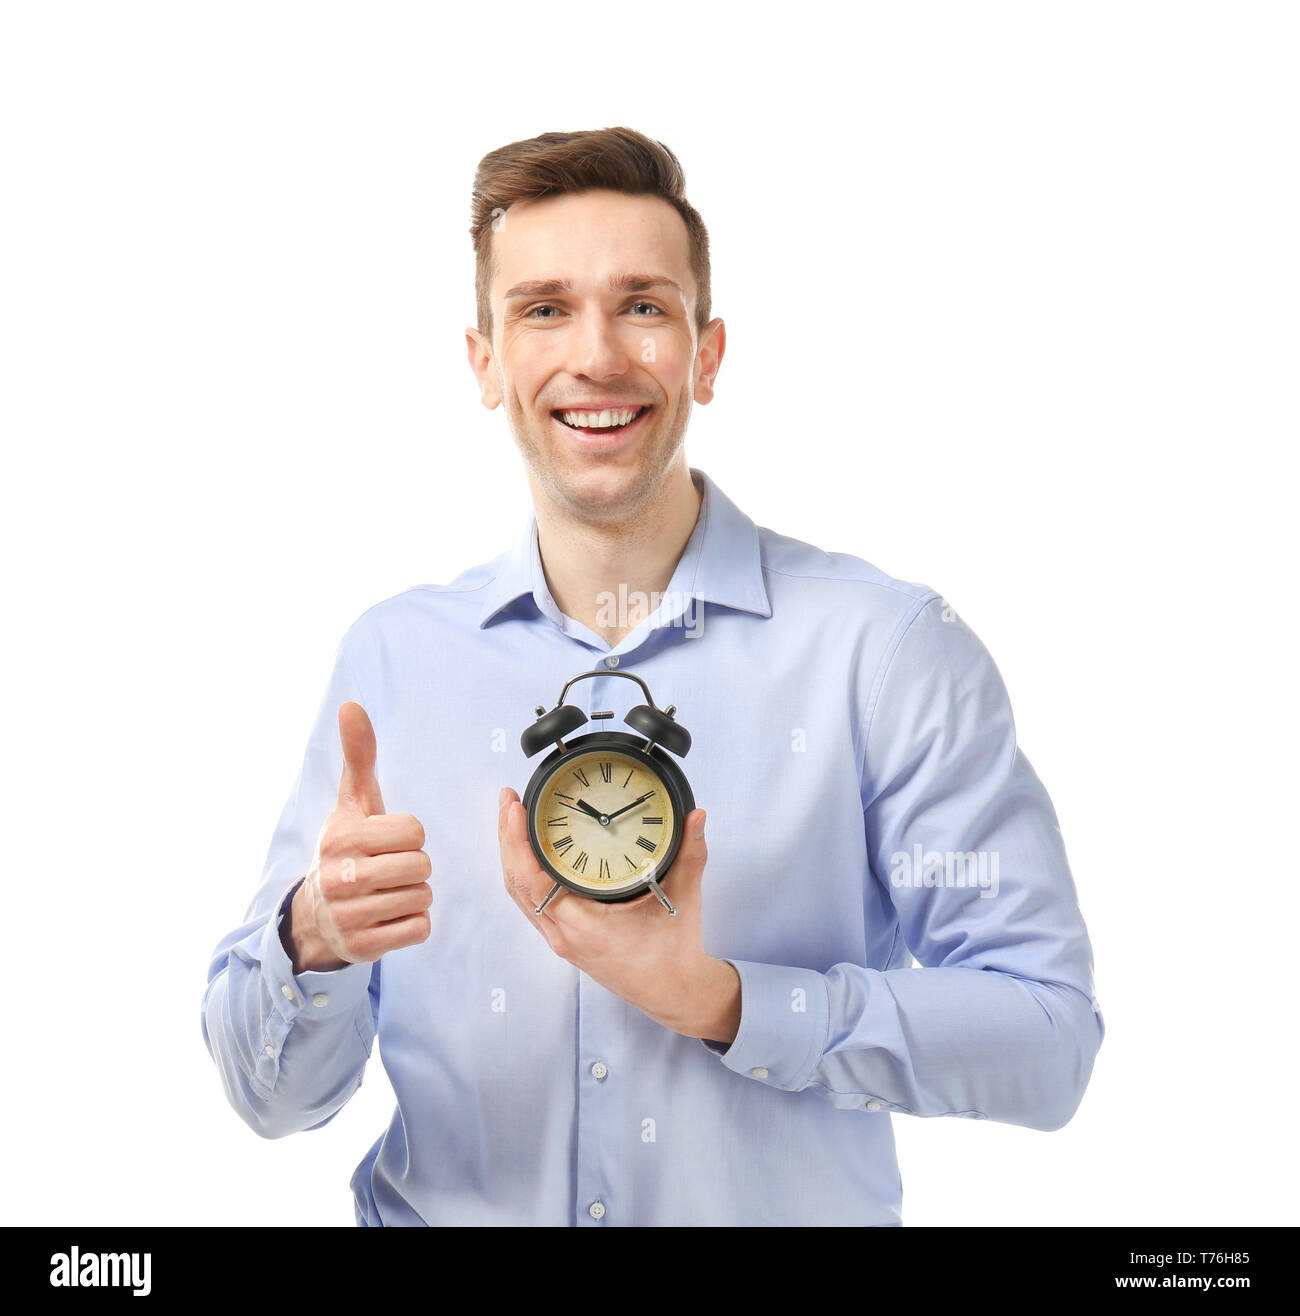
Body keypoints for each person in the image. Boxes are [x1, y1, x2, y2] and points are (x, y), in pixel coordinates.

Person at [202, 126, 1104, 1228]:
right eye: (542, 308)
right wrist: (314, 938)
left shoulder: (881, 651)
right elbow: (271, 1098)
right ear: (484, 361)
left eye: (642, 305)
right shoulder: (392, 662)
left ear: (707, 353)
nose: (597, 357)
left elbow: (1047, 1040)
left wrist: (728, 1003)